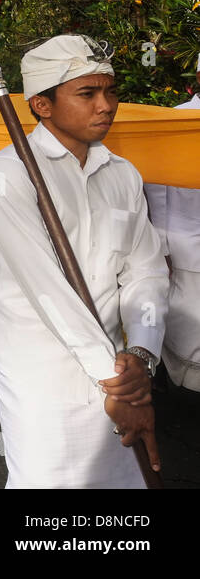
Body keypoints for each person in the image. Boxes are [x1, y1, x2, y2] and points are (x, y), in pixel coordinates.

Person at [0, 35, 168, 487]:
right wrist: (117, 384)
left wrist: (141, 355)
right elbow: (47, 289)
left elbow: (146, 269)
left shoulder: (122, 173)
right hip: (41, 369)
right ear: (42, 105)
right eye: (87, 93)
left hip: (120, 365)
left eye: (111, 91)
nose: (106, 106)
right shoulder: (8, 175)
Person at [144, 55, 200, 394]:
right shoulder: (171, 121)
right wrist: (161, 246)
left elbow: (154, 190)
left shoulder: (170, 120)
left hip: (178, 246)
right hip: (182, 247)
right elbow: (154, 189)